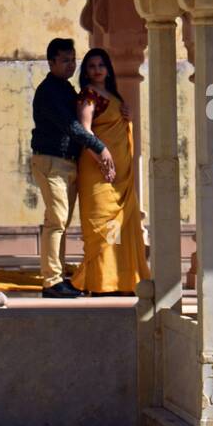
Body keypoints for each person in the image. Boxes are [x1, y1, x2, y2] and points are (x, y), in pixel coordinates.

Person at [31, 38, 115, 298]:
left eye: (72, 59)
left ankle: (57, 279)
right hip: (50, 160)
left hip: (67, 162)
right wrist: (100, 148)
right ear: (51, 62)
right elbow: (72, 126)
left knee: (61, 222)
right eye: (65, 60)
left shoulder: (66, 89)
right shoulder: (49, 91)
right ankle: (52, 281)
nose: (70, 65)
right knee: (56, 221)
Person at [70, 47, 151, 296]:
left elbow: (115, 125)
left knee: (119, 223)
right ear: (86, 71)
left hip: (121, 176)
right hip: (98, 171)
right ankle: (102, 280)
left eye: (101, 65)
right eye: (92, 66)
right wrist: (103, 159)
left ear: (107, 69)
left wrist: (128, 115)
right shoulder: (88, 96)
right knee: (104, 224)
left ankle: (118, 279)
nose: (97, 70)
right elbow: (85, 131)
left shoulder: (112, 96)